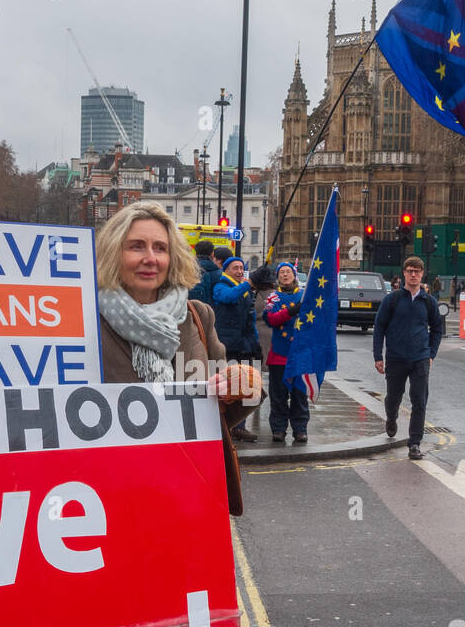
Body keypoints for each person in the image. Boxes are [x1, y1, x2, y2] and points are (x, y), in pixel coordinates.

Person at [96, 201, 256, 512]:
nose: (150, 258)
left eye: (160, 248)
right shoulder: (85, 324)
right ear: (114, 253)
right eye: (136, 246)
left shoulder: (198, 317)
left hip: (186, 489)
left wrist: (245, 385)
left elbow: (217, 409)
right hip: (110, 492)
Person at [373, 256, 442, 460]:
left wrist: (431, 353)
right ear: (404, 273)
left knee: (419, 401)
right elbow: (379, 327)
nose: (413, 274)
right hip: (395, 357)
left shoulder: (429, 302)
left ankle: (414, 444)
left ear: (422, 274)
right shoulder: (392, 299)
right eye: (410, 271)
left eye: (417, 271)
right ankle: (391, 417)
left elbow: (437, 329)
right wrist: (378, 356)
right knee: (393, 397)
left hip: (420, 358)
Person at [212, 255, 261, 442]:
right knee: (228, 389)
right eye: (235, 268)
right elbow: (229, 297)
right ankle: (227, 426)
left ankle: (240, 426)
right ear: (226, 270)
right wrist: (249, 283)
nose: (239, 271)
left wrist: (256, 345)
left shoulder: (245, 290)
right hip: (228, 346)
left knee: (247, 386)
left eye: (241, 268)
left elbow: (250, 321)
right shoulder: (220, 285)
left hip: (244, 345)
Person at [263, 262, 308, 444]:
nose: (285, 275)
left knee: (299, 396)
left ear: (294, 275)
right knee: (279, 396)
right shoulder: (273, 298)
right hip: (279, 356)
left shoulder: (304, 296)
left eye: (288, 271)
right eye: (282, 272)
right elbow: (271, 319)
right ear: (278, 277)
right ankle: (279, 429)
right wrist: (290, 311)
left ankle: (300, 429)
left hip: (299, 355)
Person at [188, 238, 224, 304]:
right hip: (211, 311)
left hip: (192, 308)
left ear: (196, 253)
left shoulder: (187, 270)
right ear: (212, 254)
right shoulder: (219, 274)